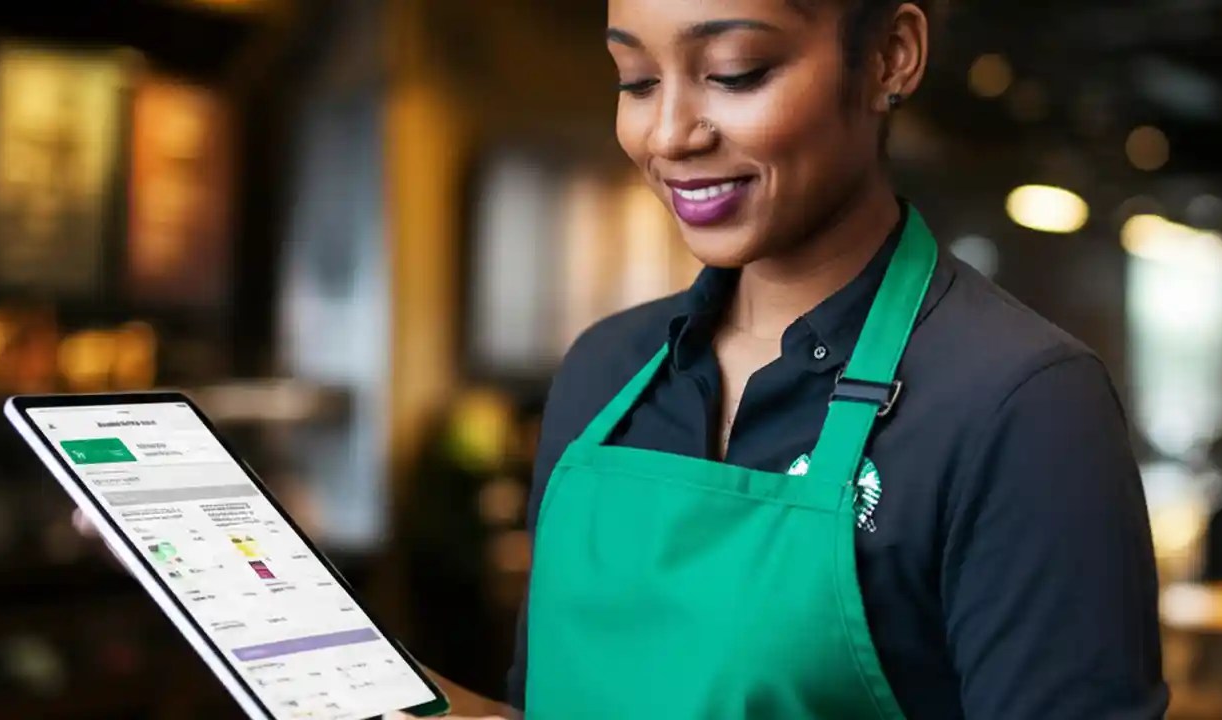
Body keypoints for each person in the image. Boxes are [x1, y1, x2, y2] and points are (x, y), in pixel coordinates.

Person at [428, 0, 1167, 718]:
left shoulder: (1024, 406)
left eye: (735, 71)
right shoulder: (602, 371)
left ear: (890, 57)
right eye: (637, 80)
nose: (669, 134)